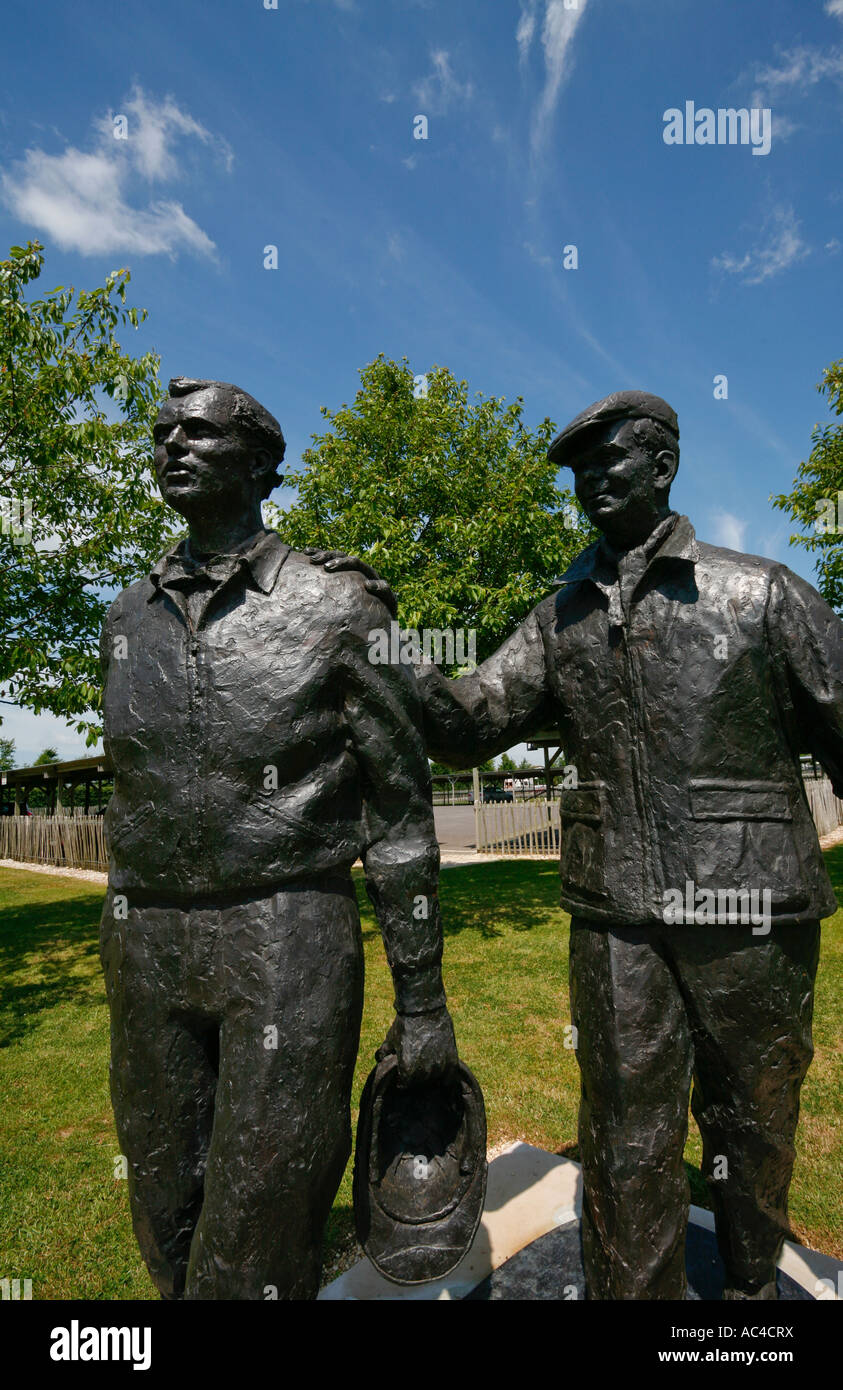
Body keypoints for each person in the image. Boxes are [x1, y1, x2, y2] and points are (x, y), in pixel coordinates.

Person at [315, 389, 843, 1300]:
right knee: (623, 1127)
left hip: (750, 908)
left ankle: (755, 1297)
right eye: (577, 472)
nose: (590, 483)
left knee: (751, 1118)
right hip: (614, 918)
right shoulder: (558, 617)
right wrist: (382, 637)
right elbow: (473, 719)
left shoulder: (760, 595)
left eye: (609, 461)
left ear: (663, 465)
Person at [99, 376, 458, 1300]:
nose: (171, 445)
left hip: (285, 934)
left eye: (198, 433)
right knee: (163, 1206)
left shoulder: (339, 607)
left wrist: (421, 1002)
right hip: (143, 937)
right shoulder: (126, 616)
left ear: (260, 463)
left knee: (258, 1222)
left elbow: (400, 813)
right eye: (161, 433)